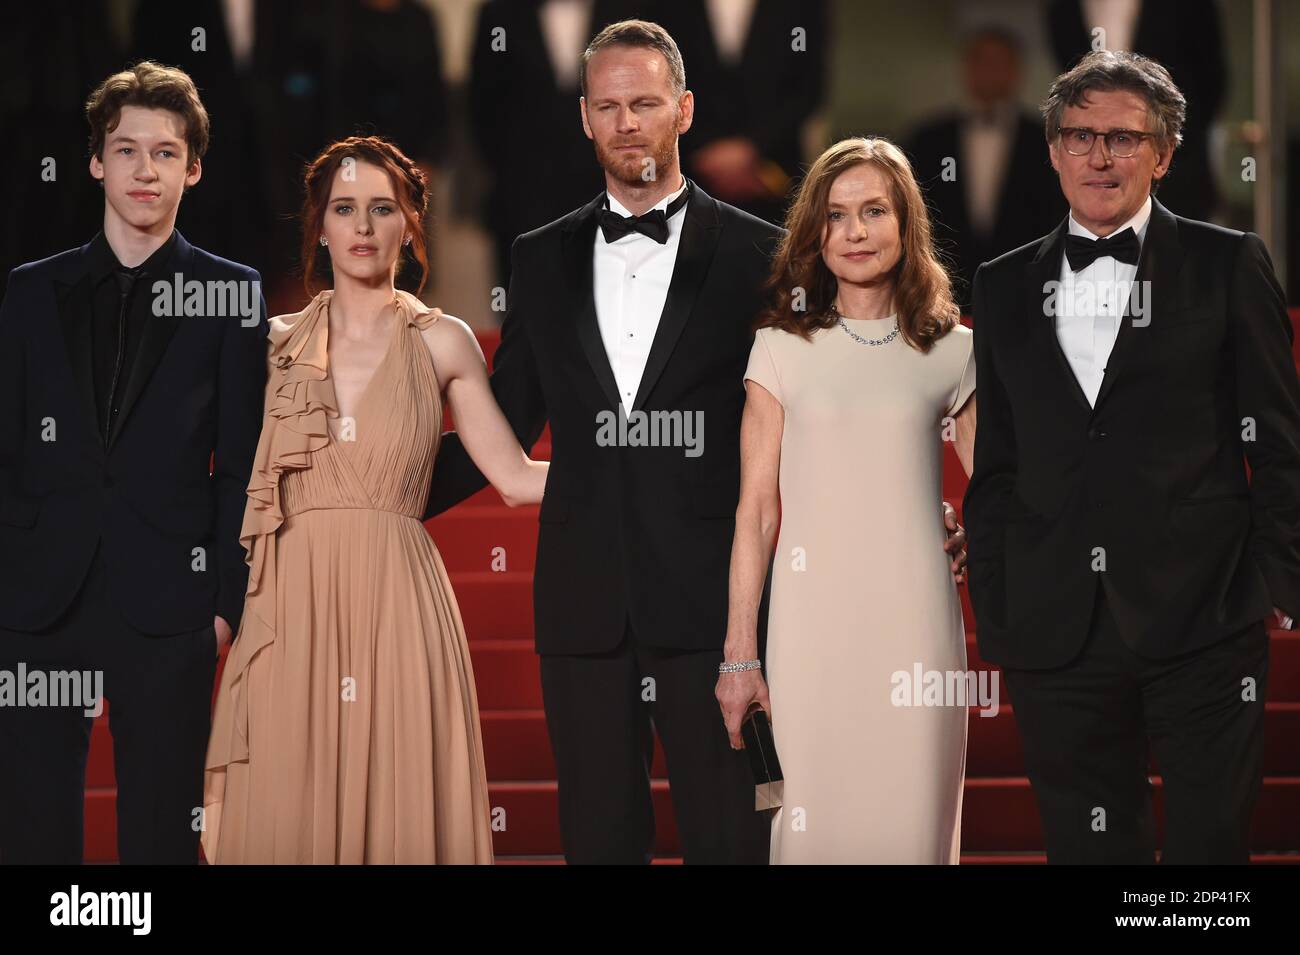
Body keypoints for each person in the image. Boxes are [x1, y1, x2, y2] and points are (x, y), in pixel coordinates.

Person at [421, 20, 969, 864]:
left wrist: (907, 497)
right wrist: (389, 488)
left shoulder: (760, 254)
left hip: (718, 610)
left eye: (645, 102)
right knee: (598, 842)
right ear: (584, 119)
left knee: (733, 840)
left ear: (684, 109)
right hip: (584, 603)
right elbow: (505, 415)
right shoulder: (538, 258)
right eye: (608, 106)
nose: (627, 121)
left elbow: (822, 387)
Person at [963, 50, 1300, 864]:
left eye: (1123, 137)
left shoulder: (1228, 263)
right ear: (1051, 150)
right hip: (1056, 628)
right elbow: (999, 461)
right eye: (1079, 136)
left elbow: (1279, 442)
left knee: (1207, 856)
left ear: (1166, 152)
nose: (1100, 157)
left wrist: (1275, 578)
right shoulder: (1003, 284)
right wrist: (1003, 599)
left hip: (1205, 617)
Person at [202, 136, 548, 864]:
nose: (362, 226)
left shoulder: (445, 342)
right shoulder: (266, 347)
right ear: (320, 226)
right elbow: (211, 477)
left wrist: (636, 472)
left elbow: (515, 477)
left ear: (410, 225)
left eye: (383, 208)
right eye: (345, 208)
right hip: (289, 605)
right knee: (286, 808)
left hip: (399, 603)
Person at [0, 62, 267, 863]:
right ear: (95, 162)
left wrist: (223, 603)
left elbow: (241, 463)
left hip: (171, 606)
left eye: (163, 153)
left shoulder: (233, 293)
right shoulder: (30, 291)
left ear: (193, 167)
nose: (143, 170)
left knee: (162, 828)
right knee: (31, 826)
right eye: (125, 150)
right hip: (38, 601)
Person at [722, 137, 977, 864]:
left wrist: (971, 524)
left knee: (912, 826)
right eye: (836, 216)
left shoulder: (955, 349)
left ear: (907, 224)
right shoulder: (778, 345)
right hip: (809, 631)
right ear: (815, 232)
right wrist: (741, 652)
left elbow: (1000, 487)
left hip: (916, 623)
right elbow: (757, 511)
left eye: (874, 211)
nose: (856, 232)